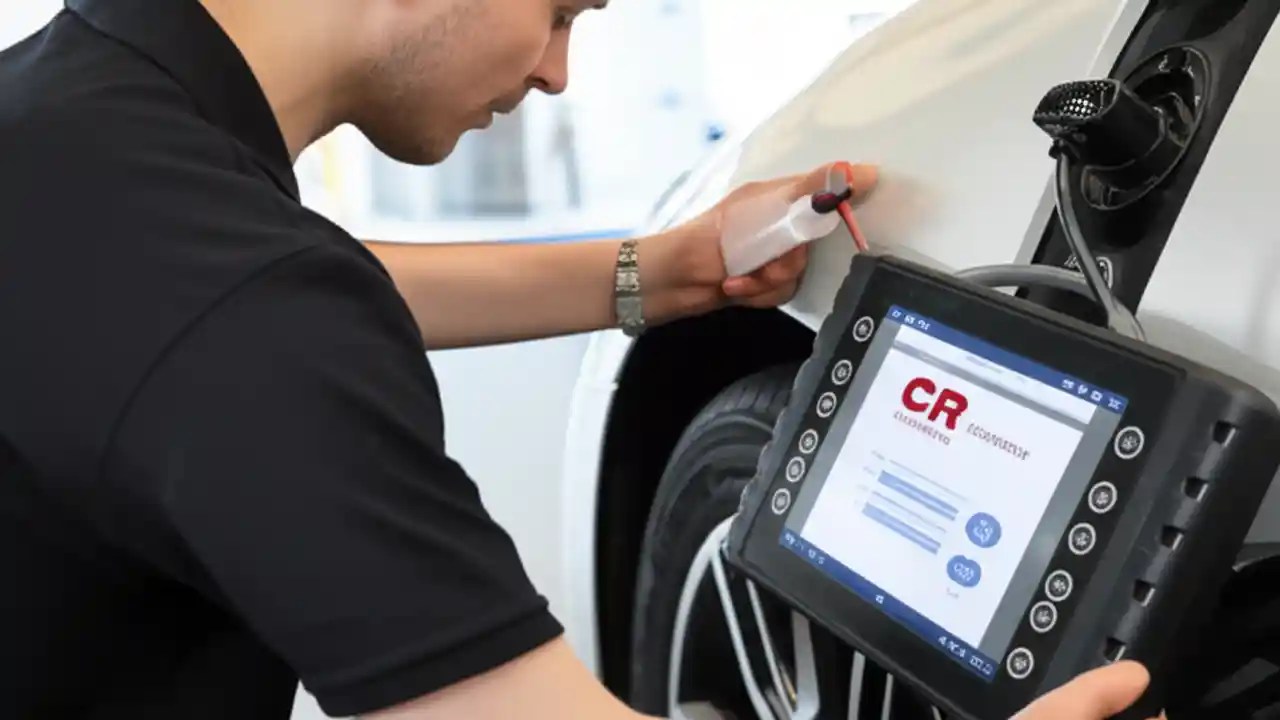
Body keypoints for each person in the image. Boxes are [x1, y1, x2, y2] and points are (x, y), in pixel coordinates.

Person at [0, 1, 1156, 718]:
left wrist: (663, 272)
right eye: (561, 11)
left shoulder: (75, 115)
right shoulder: (239, 311)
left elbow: (246, 293)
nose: (556, 72)